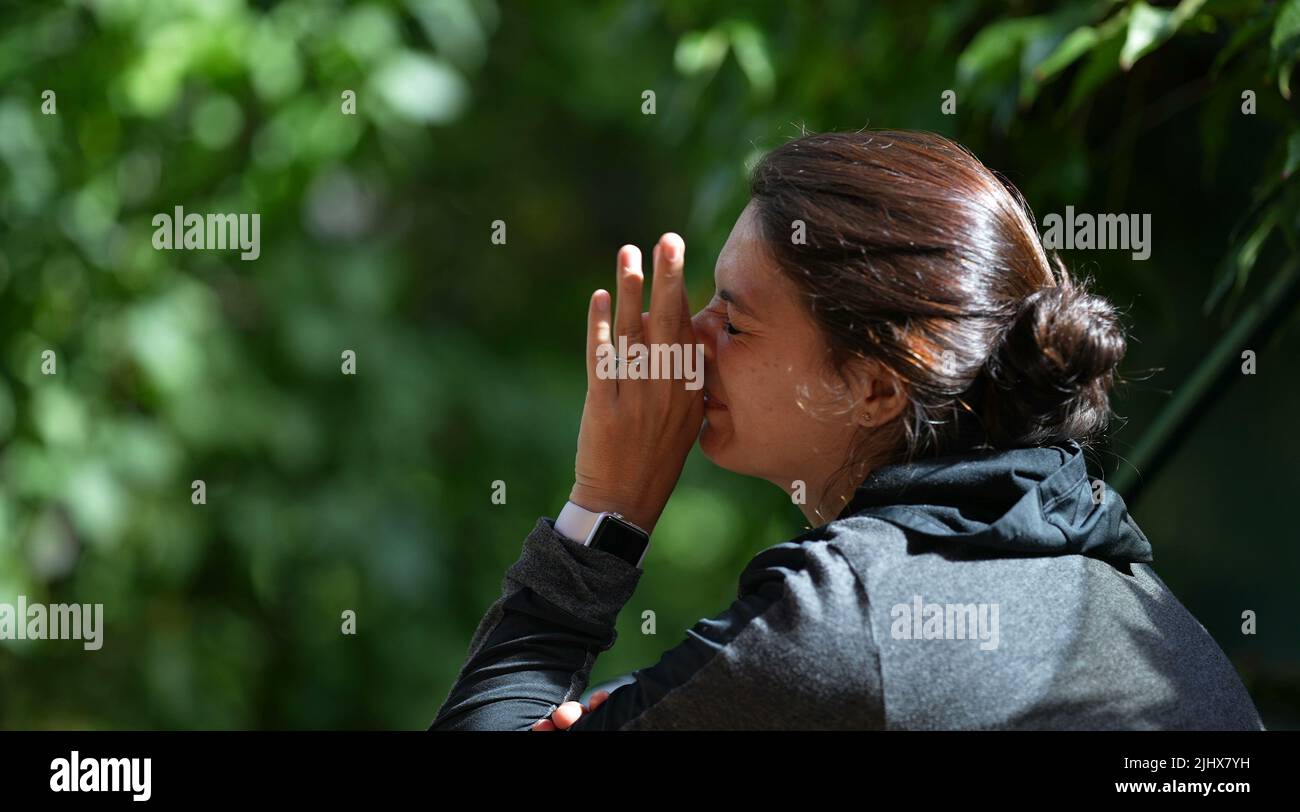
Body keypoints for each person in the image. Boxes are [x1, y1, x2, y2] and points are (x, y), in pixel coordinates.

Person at [428, 129, 1265, 731]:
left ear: (872, 385)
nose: (689, 340)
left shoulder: (845, 622)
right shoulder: (1142, 604)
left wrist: (605, 509)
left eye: (737, 319)